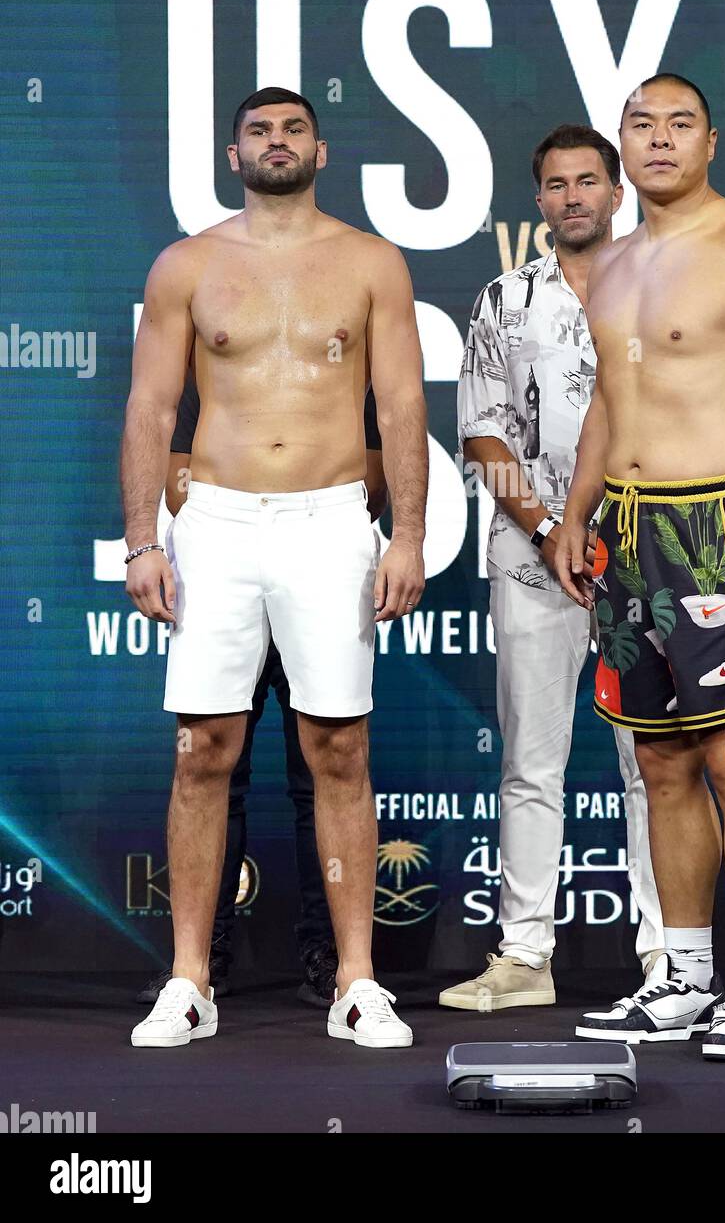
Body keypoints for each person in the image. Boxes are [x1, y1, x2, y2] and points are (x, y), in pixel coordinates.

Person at [123, 86, 427, 1050]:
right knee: (202, 749)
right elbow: (148, 409)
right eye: (261, 130)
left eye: (294, 128)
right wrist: (142, 541)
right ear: (233, 152)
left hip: (332, 518)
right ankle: (187, 981)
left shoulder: (372, 262)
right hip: (214, 521)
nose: (278, 141)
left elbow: (404, 406)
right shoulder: (188, 264)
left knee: (339, 749)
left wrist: (408, 537)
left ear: (321, 149)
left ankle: (357, 981)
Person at [559, 74, 725, 1061]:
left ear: (712, 140)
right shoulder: (614, 263)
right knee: (659, 760)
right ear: (621, 142)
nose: (659, 140)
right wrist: (576, 513)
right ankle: (683, 972)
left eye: (679, 125)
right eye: (641, 124)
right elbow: (607, 406)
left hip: (723, 526)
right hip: (629, 530)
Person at [443, 124, 666, 1014]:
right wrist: (546, 529)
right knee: (533, 764)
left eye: (588, 181)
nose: (573, 197)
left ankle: (670, 957)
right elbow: (482, 430)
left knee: (655, 765)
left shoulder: (668, 286)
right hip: (535, 561)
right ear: (537, 202)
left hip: (651, 557)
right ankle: (525, 957)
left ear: (616, 192)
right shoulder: (505, 298)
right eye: (556, 185)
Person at [135, 376, 388, 1009]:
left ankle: (334, 959)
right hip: (227, 571)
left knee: (325, 768)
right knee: (213, 764)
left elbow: (373, 485)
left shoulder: (343, 370)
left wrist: (309, 541)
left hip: (318, 571)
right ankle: (201, 962)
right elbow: (177, 479)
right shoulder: (210, 369)